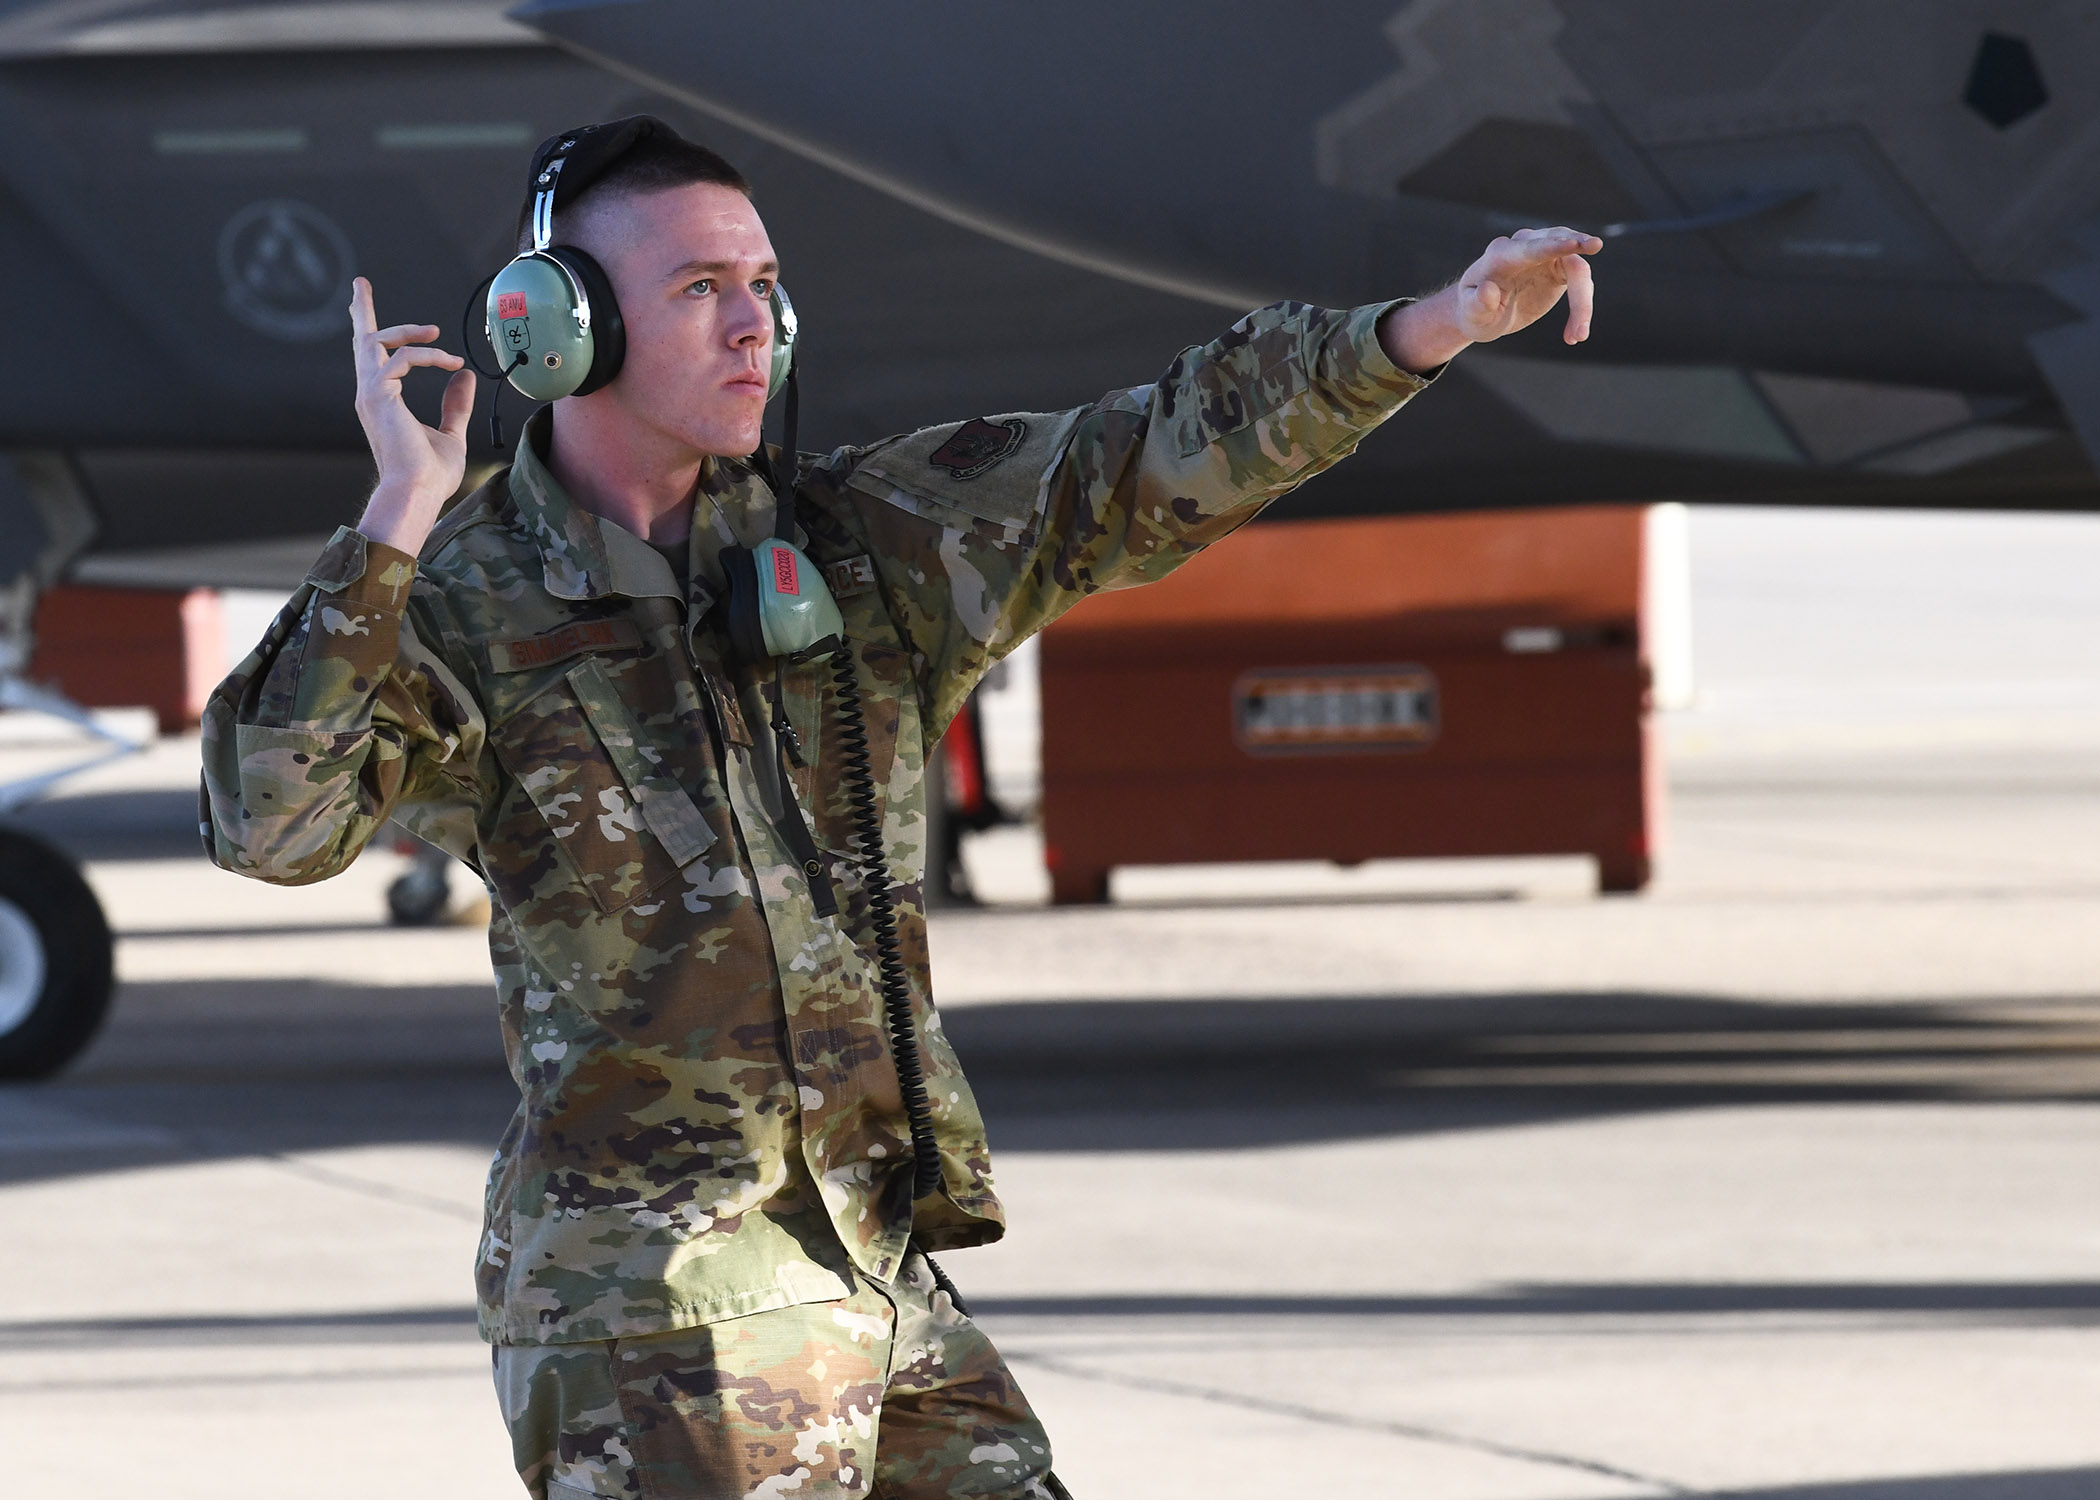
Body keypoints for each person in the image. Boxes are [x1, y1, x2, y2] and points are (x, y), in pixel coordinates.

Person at [200, 116, 1599, 1500]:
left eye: (764, 285)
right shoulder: (459, 603)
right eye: (700, 290)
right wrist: (392, 523)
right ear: (559, 331)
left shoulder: (858, 545)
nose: (755, 325)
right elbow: (273, 825)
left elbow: (1131, 463)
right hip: (662, 1320)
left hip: (874, 1272)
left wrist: (1430, 327)